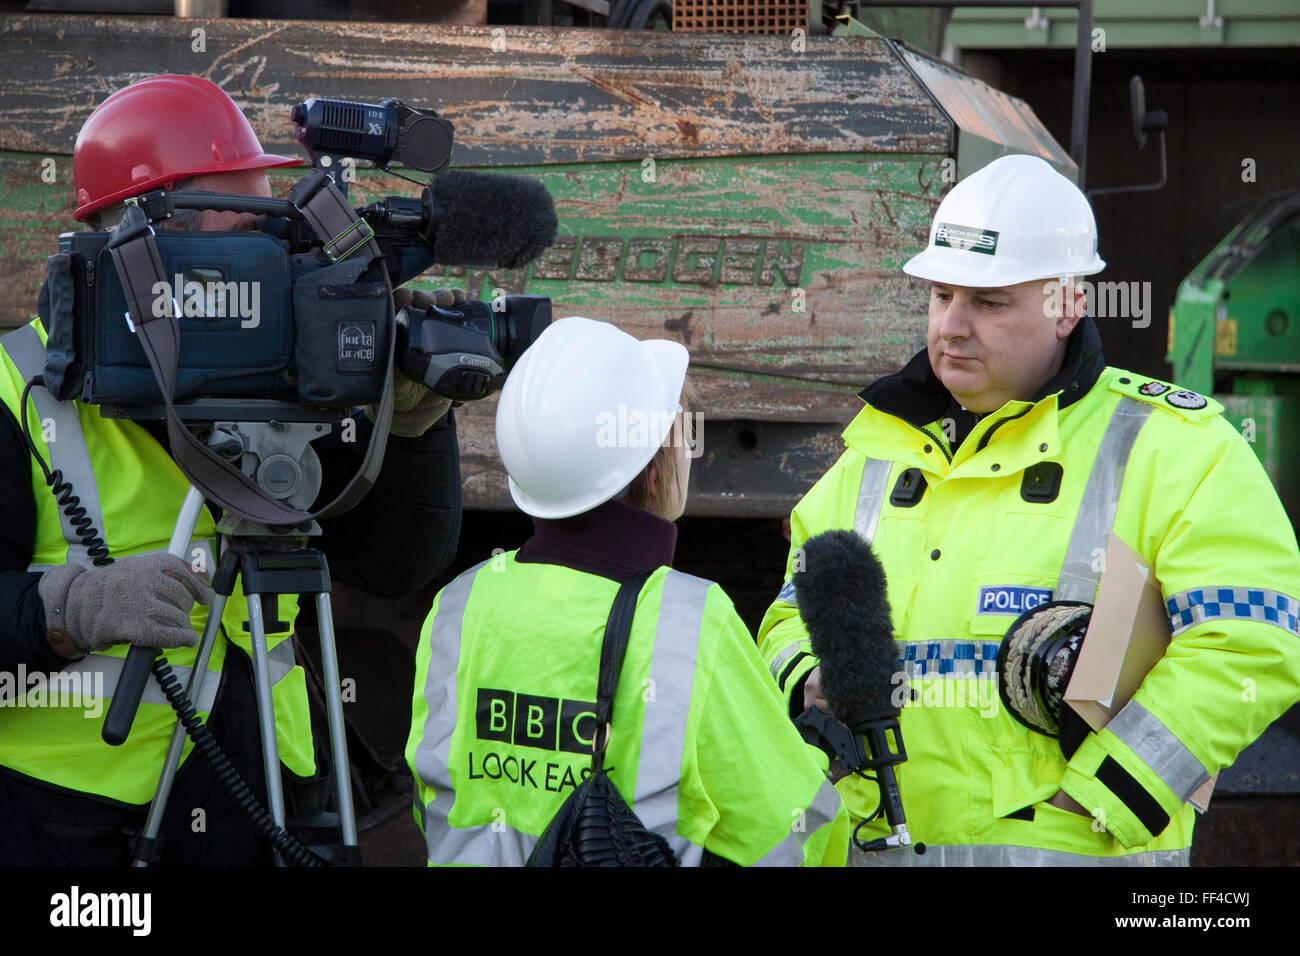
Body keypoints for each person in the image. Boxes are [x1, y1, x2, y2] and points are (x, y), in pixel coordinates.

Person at [758, 153, 1300, 865]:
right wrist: (812, 682)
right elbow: (788, 617)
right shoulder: (872, 455)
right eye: (941, 294)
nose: (952, 326)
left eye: (988, 303)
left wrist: (1110, 792)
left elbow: (1251, 642)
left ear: (1069, 303)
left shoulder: (1177, 447)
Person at [0, 75, 462, 865]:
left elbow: (395, 565)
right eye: (246, 223)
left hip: (270, 803)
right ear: (143, 231)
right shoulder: (15, 391)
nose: (272, 252)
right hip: (77, 831)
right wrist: (70, 607)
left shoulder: (282, 368)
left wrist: (413, 422)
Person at [406, 316, 849, 866]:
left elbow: (439, 798)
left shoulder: (461, 603)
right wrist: (821, 745)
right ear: (657, 468)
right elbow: (785, 833)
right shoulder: (688, 620)